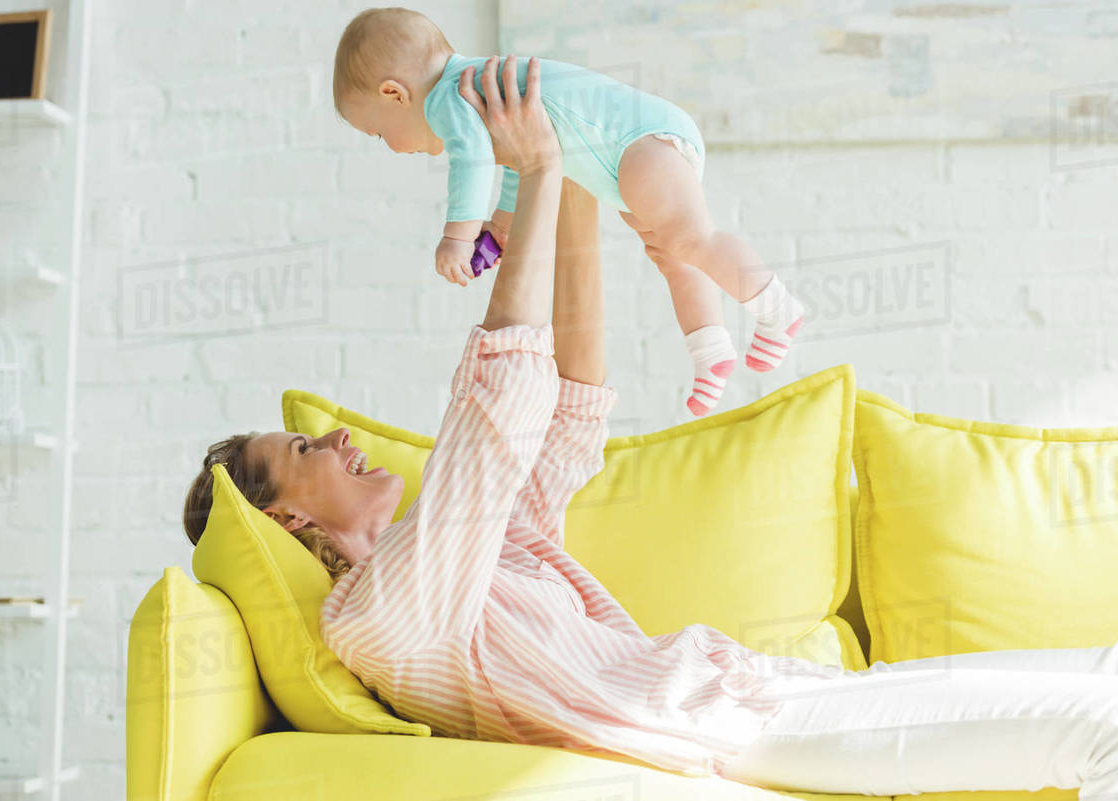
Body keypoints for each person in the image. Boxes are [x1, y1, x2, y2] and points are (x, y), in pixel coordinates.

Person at [183, 54, 1118, 795]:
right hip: (741, 732)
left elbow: (570, 409)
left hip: (768, 685)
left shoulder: (476, 556)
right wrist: (538, 172)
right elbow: (494, 414)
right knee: (1101, 732)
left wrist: (577, 185)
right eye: (306, 450)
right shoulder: (376, 618)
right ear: (290, 521)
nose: (339, 440)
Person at [331, 7, 806, 418]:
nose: (389, 148)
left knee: (690, 240)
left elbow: (471, 161)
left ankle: (776, 308)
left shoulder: (451, 97)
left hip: (638, 142)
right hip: (636, 150)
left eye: (377, 133)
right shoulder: (484, 91)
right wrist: (501, 225)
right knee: (671, 253)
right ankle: (711, 350)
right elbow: (521, 157)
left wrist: (458, 237)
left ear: (395, 94)